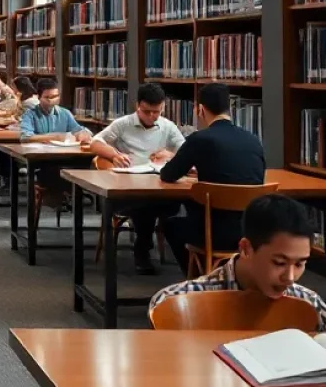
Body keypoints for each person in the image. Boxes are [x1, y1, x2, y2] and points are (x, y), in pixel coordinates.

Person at [149, 194, 326, 331]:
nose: (290, 278)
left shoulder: (310, 305)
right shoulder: (174, 302)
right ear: (246, 248)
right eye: (279, 263)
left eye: (300, 264)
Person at [159, 81, 267, 273]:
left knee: (171, 225)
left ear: (200, 109)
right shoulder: (253, 139)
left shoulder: (200, 138)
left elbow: (168, 174)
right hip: (252, 230)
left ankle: (200, 277)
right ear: (229, 108)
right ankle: (225, 274)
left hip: (213, 233)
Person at [89, 83, 186, 274]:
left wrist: (171, 155)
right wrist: (113, 154)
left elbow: (186, 152)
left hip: (159, 185)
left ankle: (185, 257)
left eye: (156, 112)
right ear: (137, 106)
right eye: (146, 111)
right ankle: (143, 251)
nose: (151, 116)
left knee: (178, 204)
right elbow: (95, 142)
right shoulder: (123, 124)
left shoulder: (168, 127)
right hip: (128, 190)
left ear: (163, 108)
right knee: (145, 205)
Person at [19, 77, 92, 143]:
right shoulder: (30, 114)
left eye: (54, 96)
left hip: (61, 154)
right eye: (47, 97)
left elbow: (78, 130)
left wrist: (83, 134)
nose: (51, 100)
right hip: (38, 155)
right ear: (39, 97)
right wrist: (56, 137)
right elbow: (25, 137)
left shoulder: (65, 113)